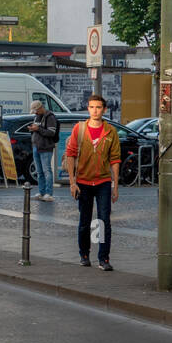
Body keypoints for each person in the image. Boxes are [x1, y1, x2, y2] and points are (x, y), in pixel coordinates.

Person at [64, 94, 122, 271]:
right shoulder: (79, 129)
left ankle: (103, 258)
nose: (95, 110)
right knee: (85, 220)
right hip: (83, 181)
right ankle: (84, 254)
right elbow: (71, 154)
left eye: (98, 107)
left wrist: (115, 186)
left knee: (103, 221)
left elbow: (115, 159)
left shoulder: (110, 131)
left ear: (104, 110)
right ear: (88, 109)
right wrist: (72, 183)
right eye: (91, 107)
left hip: (103, 181)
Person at [28, 99, 60, 201]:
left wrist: (38, 129)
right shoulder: (37, 116)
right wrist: (33, 129)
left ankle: (49, 193)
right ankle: (41, 192)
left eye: (36, 111)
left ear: (40, 108)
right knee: (39, 171)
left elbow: (51, 133)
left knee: (46, 170)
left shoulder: (50, 117)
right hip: (36, 146)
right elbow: (38, 129)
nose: (35, 113)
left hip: (46, 147)